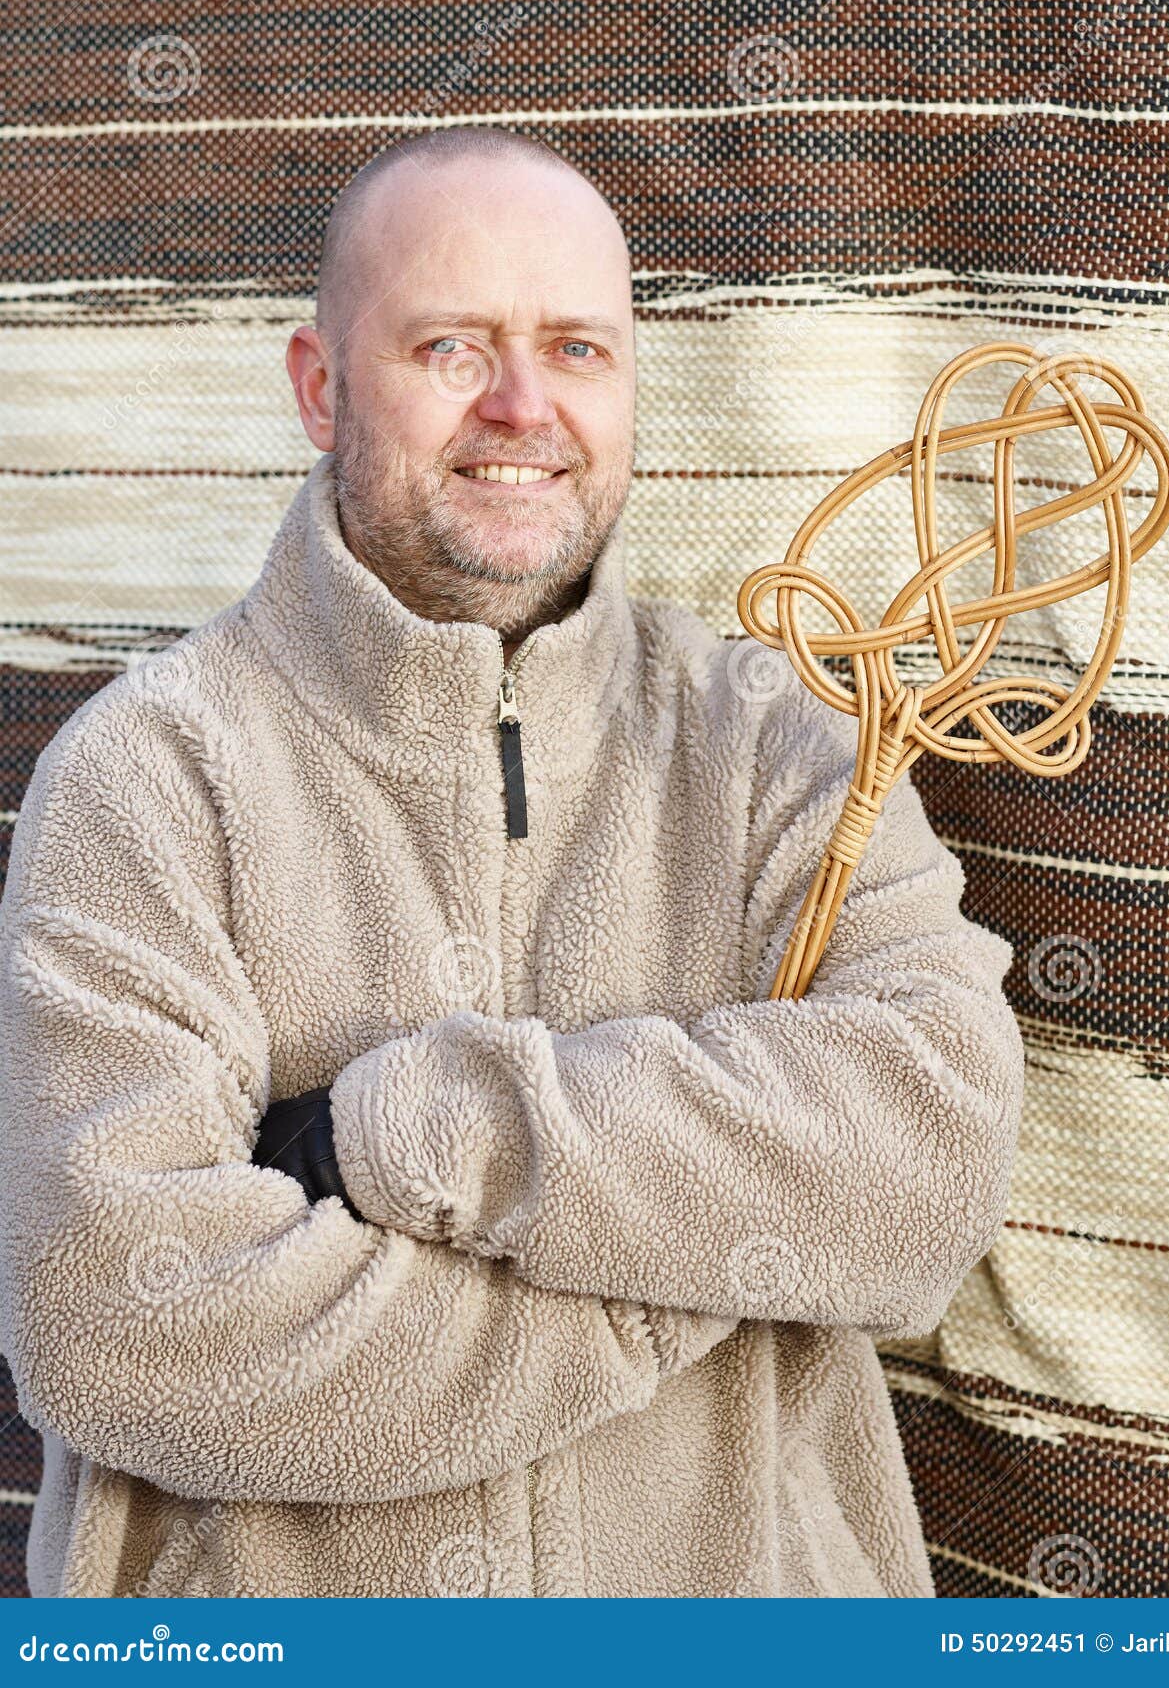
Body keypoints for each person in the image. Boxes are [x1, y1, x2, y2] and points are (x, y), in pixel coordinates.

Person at [0, 125, 1025, 1599]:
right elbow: (115, 1319)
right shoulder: (146, 777)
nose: (523, 406)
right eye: (450, 347)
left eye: (578, 350)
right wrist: (701, 1274)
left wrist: (405, 1134)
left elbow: (930, 1161)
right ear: (319, 385)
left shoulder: (772, 743)